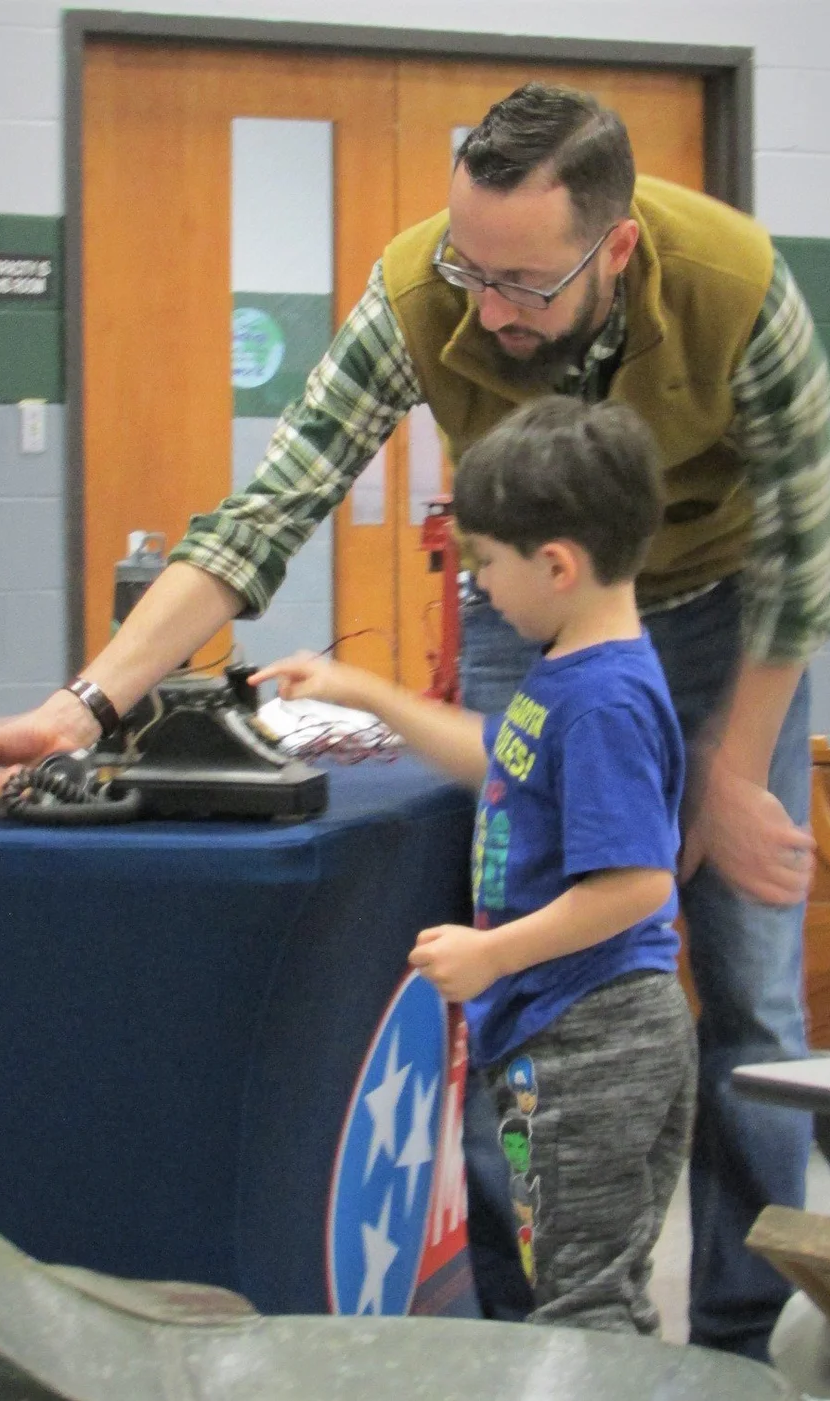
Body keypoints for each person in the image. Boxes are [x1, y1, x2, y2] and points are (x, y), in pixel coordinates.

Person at [0, 82, 830, 1360]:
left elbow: (809, 571)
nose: (486, 308)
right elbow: (269, 510)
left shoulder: (737, 287)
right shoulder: (419, 290)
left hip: (726, 606)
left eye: (525, 285)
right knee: (507, 958)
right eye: (465, 266)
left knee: (752, 994)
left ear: (618, 249)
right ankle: (510, 1329)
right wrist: (82, 705)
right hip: (526, 605)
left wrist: (729, 771)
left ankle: (747, 1341)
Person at [252, 396, 698, 1333]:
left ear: (558, 564)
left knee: (584, 1306)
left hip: (596, 1037)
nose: (478, 586)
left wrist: (498, 955)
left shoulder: (604, 699)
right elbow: (497, 750)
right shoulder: (574, 666)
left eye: (484, 564)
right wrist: (365, 691)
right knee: (580, 1290)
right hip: (569, 1027)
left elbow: (638, 883)